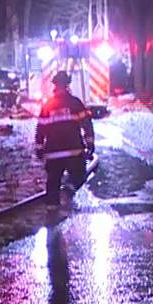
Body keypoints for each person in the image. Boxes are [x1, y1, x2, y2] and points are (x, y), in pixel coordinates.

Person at [34, 70, 95, 209]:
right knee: (79, 177)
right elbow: (87, 124)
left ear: (55, 86)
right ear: (67, 85)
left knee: (53, 182)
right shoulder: (75, 104)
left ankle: (52, 212)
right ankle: (71, 194)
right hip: (74, 151)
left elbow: (40, 129)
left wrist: (39, 148)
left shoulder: (48, 106)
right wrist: (90, 143)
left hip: (53, 153)